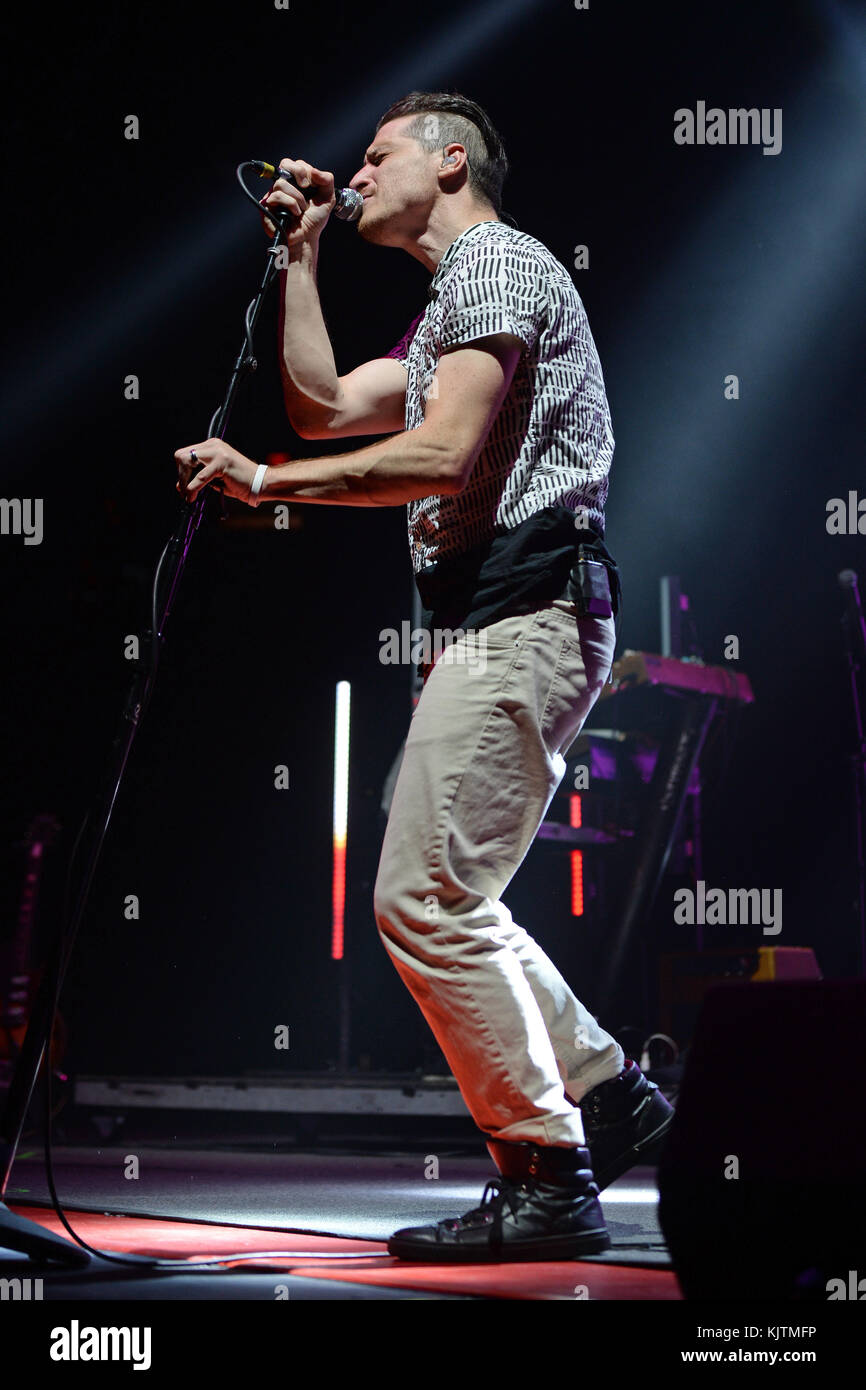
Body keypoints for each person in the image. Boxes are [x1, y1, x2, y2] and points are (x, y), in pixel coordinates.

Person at [175, 91, 673, 1263]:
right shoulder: (456, 297)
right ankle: (603, 1090)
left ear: (449, 164)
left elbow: (440, 453)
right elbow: (327, 403)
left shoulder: (495, 261)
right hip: (510, 619)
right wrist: (297, 256)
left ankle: (546, 1170)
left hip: (527, 610)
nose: (352, 174)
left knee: (419, 896)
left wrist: (268, 483)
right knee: (452, 891)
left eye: (374, 153)